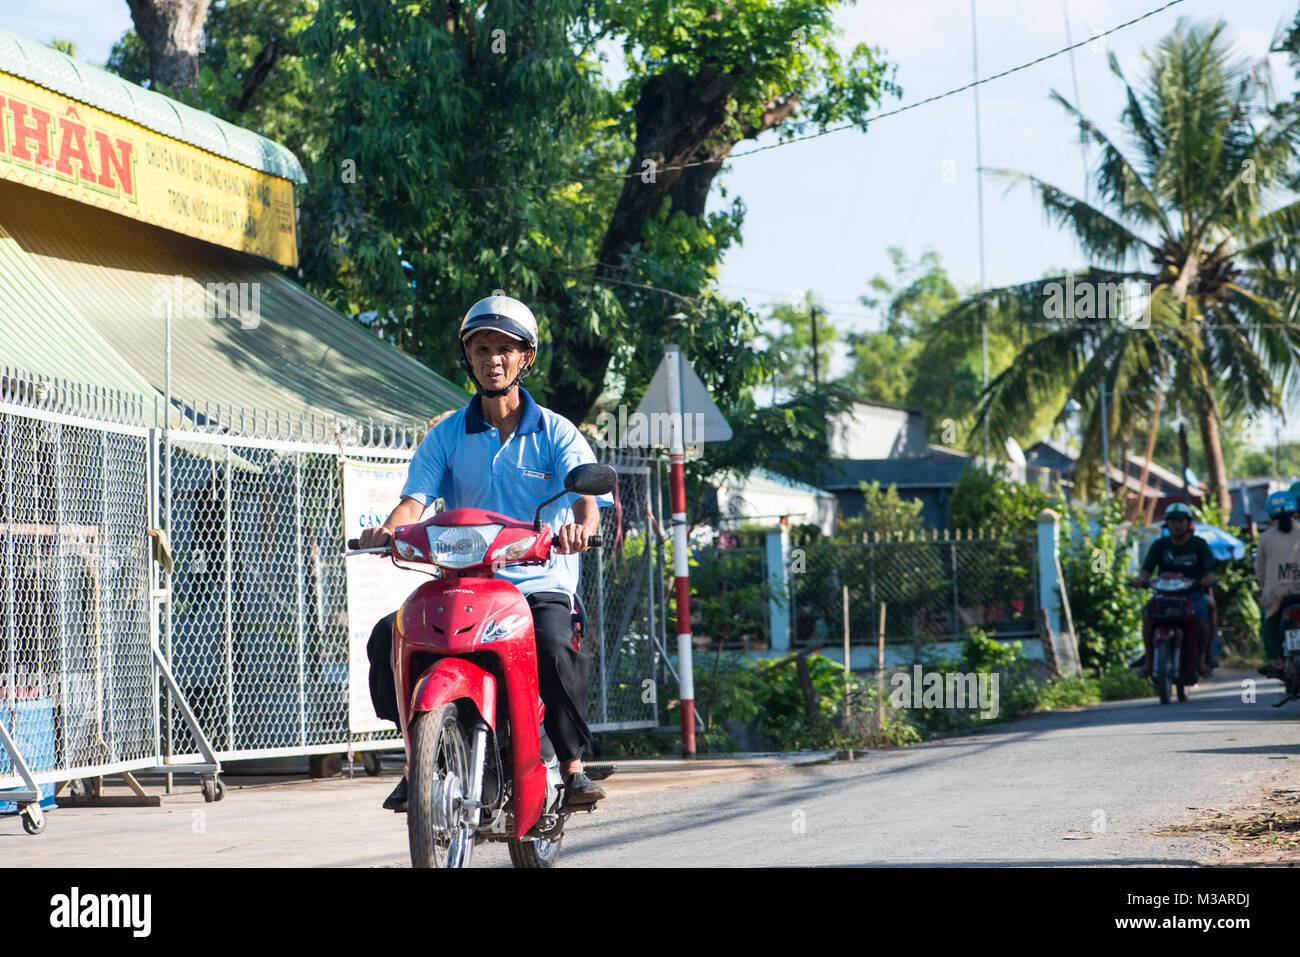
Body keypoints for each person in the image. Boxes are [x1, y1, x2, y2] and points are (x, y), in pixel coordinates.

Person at [359, 294, 611, 812]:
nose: (492, 359)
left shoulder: (556, 431)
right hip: (466, 585)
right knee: (391, 634)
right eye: (481, 348)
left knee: (552, 638)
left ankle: (571, 766)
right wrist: (386, 532)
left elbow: (589, 502)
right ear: (468, 358)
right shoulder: (446, 435)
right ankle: (417, 758)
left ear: (526, 358)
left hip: (539, 583)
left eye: (504, 348)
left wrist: (582, 529)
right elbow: (414, 502)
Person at [1132, 503, 1216, 680]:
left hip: (1192, 594)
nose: (1177, 525)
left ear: (1188, 523)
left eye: (1180, 521)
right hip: (1164, 595)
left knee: (1203, 615)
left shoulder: (1199, 544)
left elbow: (1210, 567)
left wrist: (1208, 577)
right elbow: (1147, 568)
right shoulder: (1159, 545)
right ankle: (1148, 660)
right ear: (1167, 524)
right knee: (1148, 615)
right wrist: (1141, 579)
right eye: (1172, 521)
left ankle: (1202, 659)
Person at [1255, 490, 1300, 680]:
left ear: (1270, 515)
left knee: (1267, 624)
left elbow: (1261, 572)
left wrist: (1263, 587)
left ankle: (1279, 663)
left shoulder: (1265, 537)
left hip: (1277, 595)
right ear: (1295, 513)